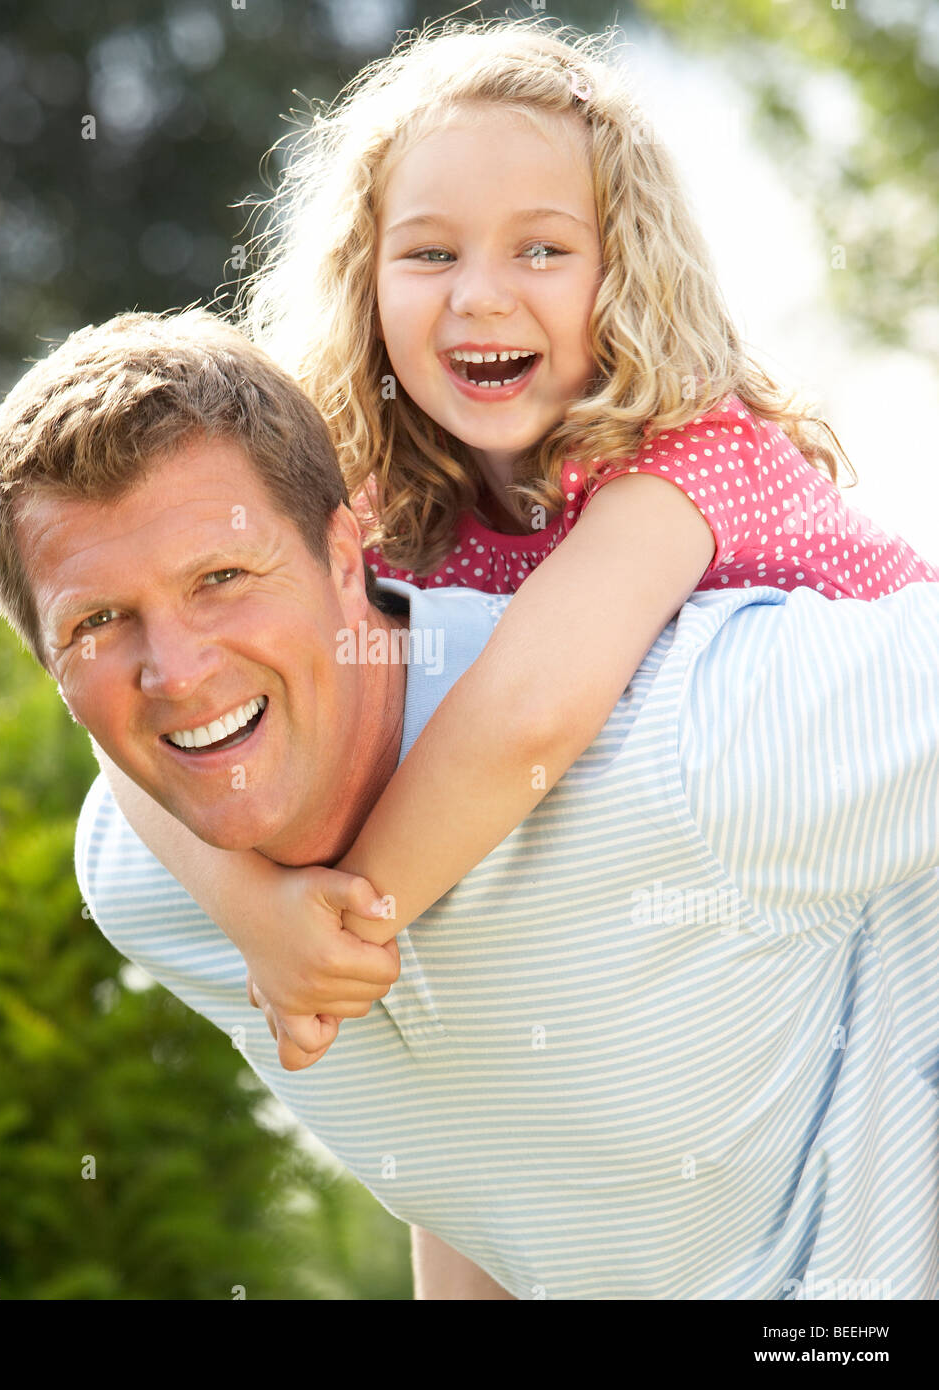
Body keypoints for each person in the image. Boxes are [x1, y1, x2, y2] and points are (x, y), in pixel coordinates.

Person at [0, 307, 939, 1300]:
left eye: (222, 577)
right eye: (100, 620)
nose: (176, 672)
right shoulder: (148, 884)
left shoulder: (690, 742)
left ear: (348, 557)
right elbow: (489, 1150)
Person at [88, 19, 939, 1070]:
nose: (480, 293)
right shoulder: (382, 507)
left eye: (542, 248)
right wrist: (261, 915)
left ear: (624, 273)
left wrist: (347, 934)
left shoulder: (689, 455)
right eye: (430, 252)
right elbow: (141, 684)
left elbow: (528, 714)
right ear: (367, 282)